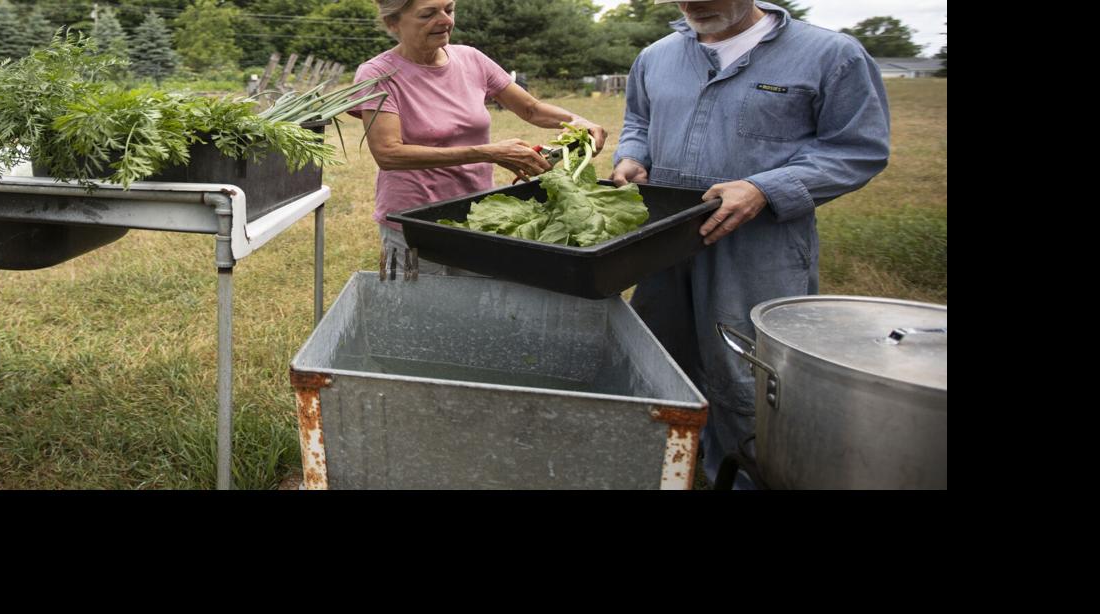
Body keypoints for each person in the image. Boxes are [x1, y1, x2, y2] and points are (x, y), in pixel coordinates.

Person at [611, 0, 890, 486]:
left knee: (748, 381)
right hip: (662, 243)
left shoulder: (831, 54)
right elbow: (638, 121)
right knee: (657, 361)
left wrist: (765, 188)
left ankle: (746, 477)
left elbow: (858, 149)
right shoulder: (655, 56)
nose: (694, 4)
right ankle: (664, 468)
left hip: (759, 250)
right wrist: (633, 156)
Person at [350, 0, 609, 274]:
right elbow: (388, 154)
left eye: (449, 10)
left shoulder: (471, 59)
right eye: (427, 14)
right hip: (413, 224)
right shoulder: (378, 74)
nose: (445, 21)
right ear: (393, 23)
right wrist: (489, 152)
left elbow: (531, 109)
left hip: (477, 214)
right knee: (412, 306)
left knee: (476, 303)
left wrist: (575, 121)